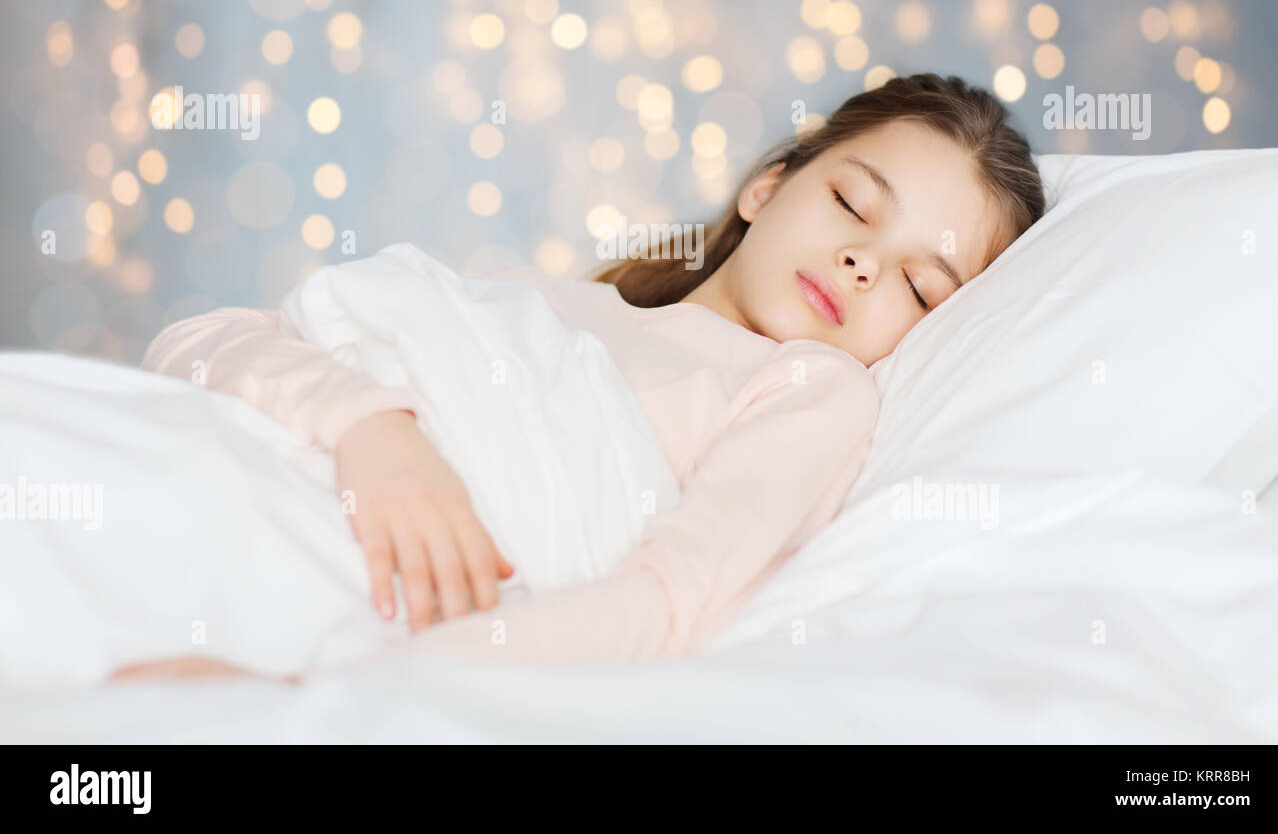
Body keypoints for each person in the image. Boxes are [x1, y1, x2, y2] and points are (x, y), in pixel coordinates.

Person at [112, 73, 1045, 682]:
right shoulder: (534, 301)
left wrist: (309, 699)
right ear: (768, 186)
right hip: (243, 473)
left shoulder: (814, 391)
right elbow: (201, 343)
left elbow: (668, 606)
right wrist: (374, 429)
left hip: (352, 619)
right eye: (852, 202)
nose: (862, 264)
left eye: (922, 284)